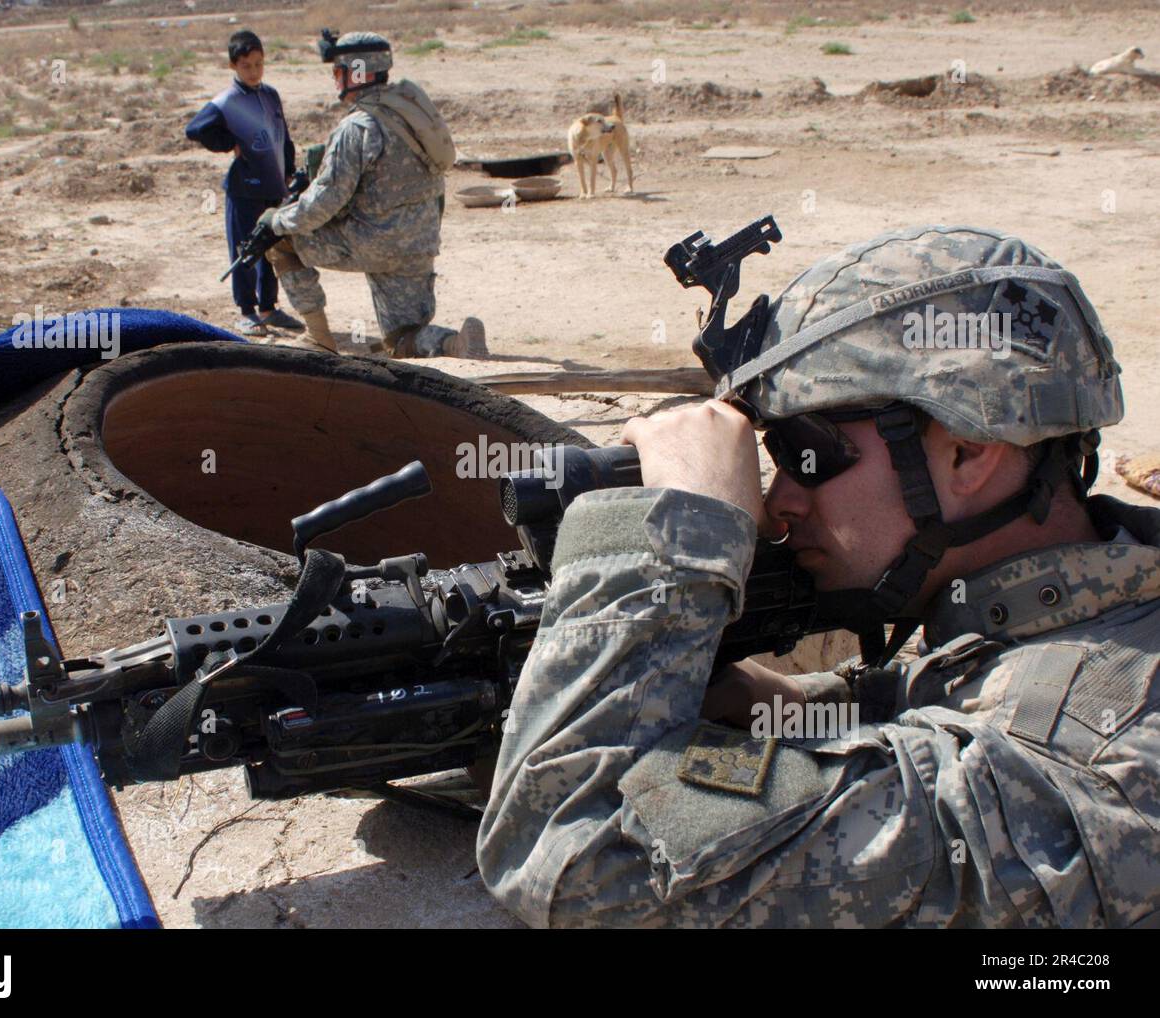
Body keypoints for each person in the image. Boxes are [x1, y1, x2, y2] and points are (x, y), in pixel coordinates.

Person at [476, 224, 1160, 928]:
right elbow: (968, 698)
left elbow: (568, 854)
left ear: (966, 454)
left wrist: (677, 539)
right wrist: (791, 703)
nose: (780, 503)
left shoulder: (1075, 772)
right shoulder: (1100, 618)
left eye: (808, 452)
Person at [257, 30, 485, 358]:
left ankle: (318, 337)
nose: (335, 80)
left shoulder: (357, 127)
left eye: (338, 72)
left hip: (373, 242)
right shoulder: (411, 115)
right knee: (401, 340)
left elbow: (324, 204)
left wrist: (277, 221)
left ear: (357, 73)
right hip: (420, 244)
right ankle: (455, 342)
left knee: (280, 243)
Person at [186, 29, 303, 338]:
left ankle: (269, 308)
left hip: (274, 185)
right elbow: (195, 129)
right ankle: (247, 312)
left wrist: (289, 170)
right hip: (244, 188)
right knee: (246, 248)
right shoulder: (226, 101)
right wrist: (230, 144)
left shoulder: (270, 95)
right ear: (233, 67)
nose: (254, 71)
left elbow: (283, 137)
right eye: (246, 66)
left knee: (272, 247)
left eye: (259, 64)